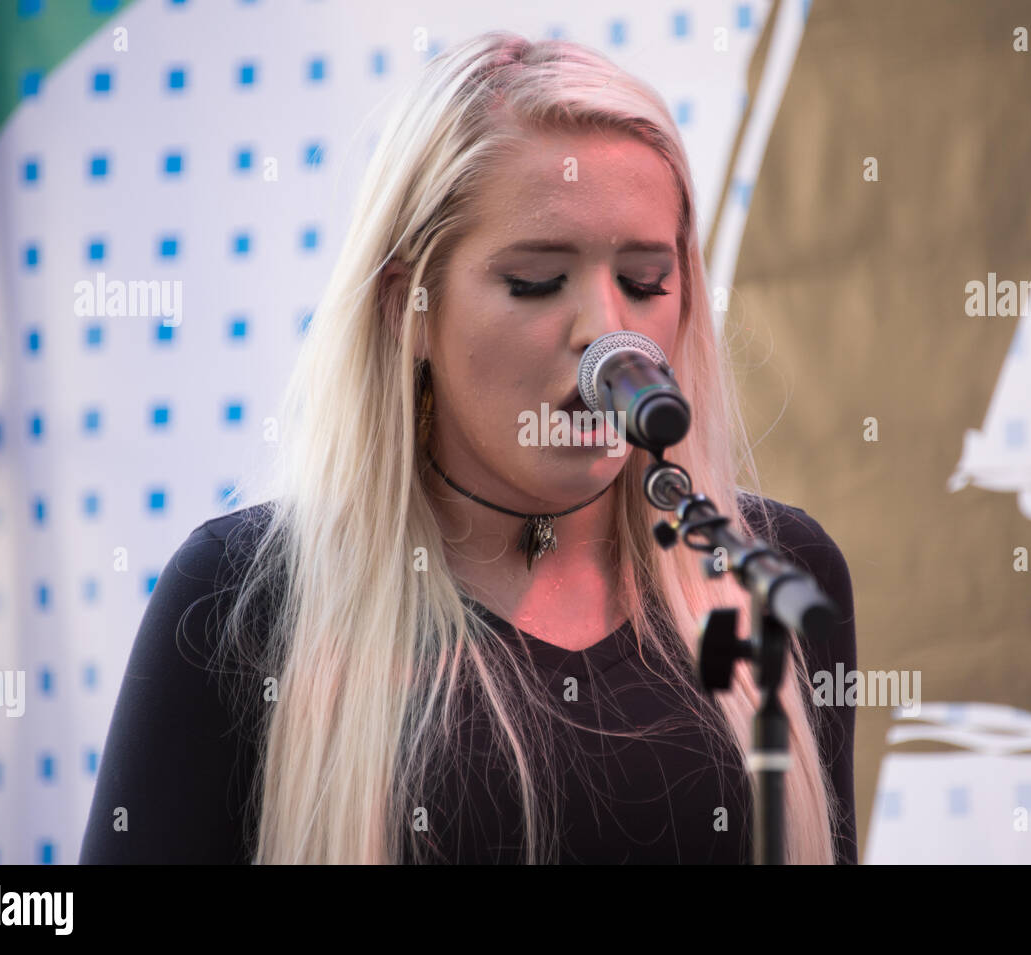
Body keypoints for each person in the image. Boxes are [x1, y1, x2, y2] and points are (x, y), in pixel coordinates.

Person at [79, 31, 857, 865]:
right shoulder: (242, 597)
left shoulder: (778, 574)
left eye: (643, 281)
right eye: (534, 280)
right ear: (405, 305)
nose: (609, 335)